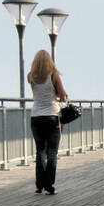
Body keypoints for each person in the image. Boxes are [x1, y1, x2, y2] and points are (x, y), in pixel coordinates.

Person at [28, 48, 69, 194]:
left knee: (40, 151)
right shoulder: (54, 75)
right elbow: (63, 96)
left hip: (36, 117)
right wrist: (57, 93)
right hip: (52, 116)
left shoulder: (30, 76)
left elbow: (37, 92)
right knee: (52, 152)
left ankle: (39, 184)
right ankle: (49, 185)